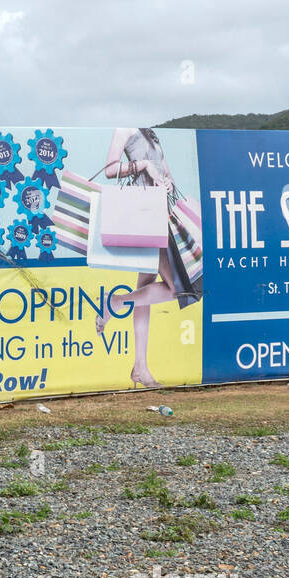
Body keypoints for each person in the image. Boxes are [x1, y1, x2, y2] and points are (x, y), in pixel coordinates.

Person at [93, 127, 200, 389]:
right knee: (177, 288)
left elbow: (164, 170)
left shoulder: (150, 132)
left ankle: (140, 367)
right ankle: (116, 301)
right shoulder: (124, 129)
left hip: (160, 212)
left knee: (146, 291)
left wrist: (167, 181)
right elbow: (110, 169)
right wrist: (143, 166)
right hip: (145, 216)